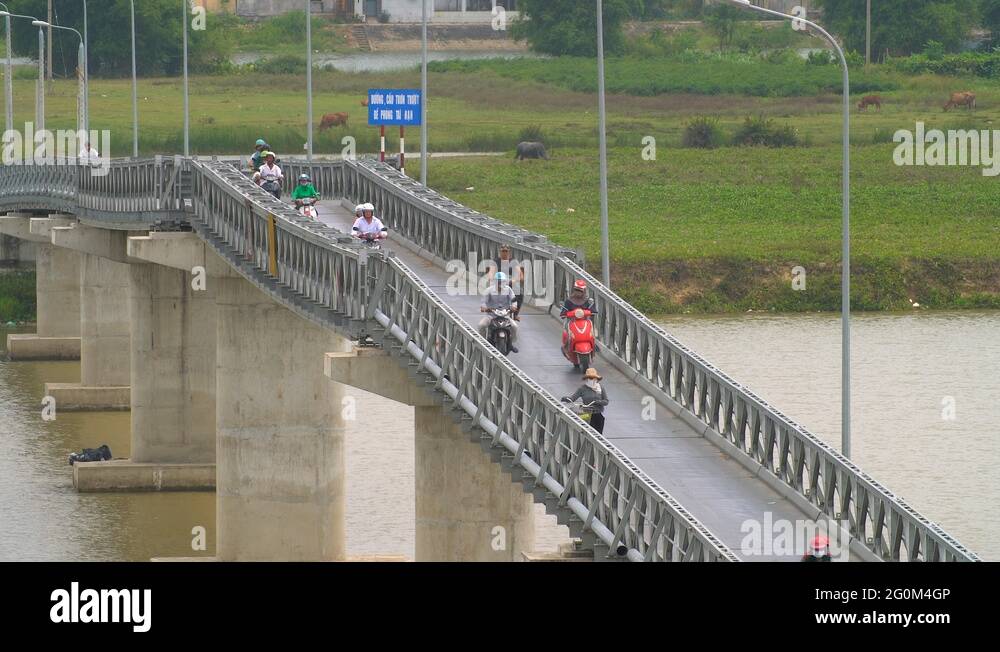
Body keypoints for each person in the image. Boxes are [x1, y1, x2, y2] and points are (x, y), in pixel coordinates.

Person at [479, 271, 519, 353]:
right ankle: (482, 343)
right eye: (499, 281)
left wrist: (514, 307)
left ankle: (511, 344)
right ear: (495, 281)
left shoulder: (508, 289)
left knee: (515, 326)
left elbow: (513, 300)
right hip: (491, 315)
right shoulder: (489, 290)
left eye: (502, 281)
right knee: (481, 325)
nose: (501, 283)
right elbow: (483, 301)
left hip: (505, 315)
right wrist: (485, 308)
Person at [561, 367, 610, 434]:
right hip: (586, 414)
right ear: (586, 379)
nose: (591, 380)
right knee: (587, 432)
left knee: (598, 434)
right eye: (590, 378)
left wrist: (598, 402)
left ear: (596, 379)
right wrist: (566, 399)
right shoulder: (582, 389)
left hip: (598, 414)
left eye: (593, 378)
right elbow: (573, 398)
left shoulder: (600, 388)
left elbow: (606, 401)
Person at [488, 245, 526, 321]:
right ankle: (491, 312)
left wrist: (515, 280)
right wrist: (492, 278)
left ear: (509, 252)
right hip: (498, 282)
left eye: (506, 251)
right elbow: (491, 273)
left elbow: (520, 275)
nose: (504, 253)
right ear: (500, 252)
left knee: (520, 294)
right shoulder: (495, 261)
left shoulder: (514, 261)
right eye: (503, 251)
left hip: (510, 283)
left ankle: (515, 314)